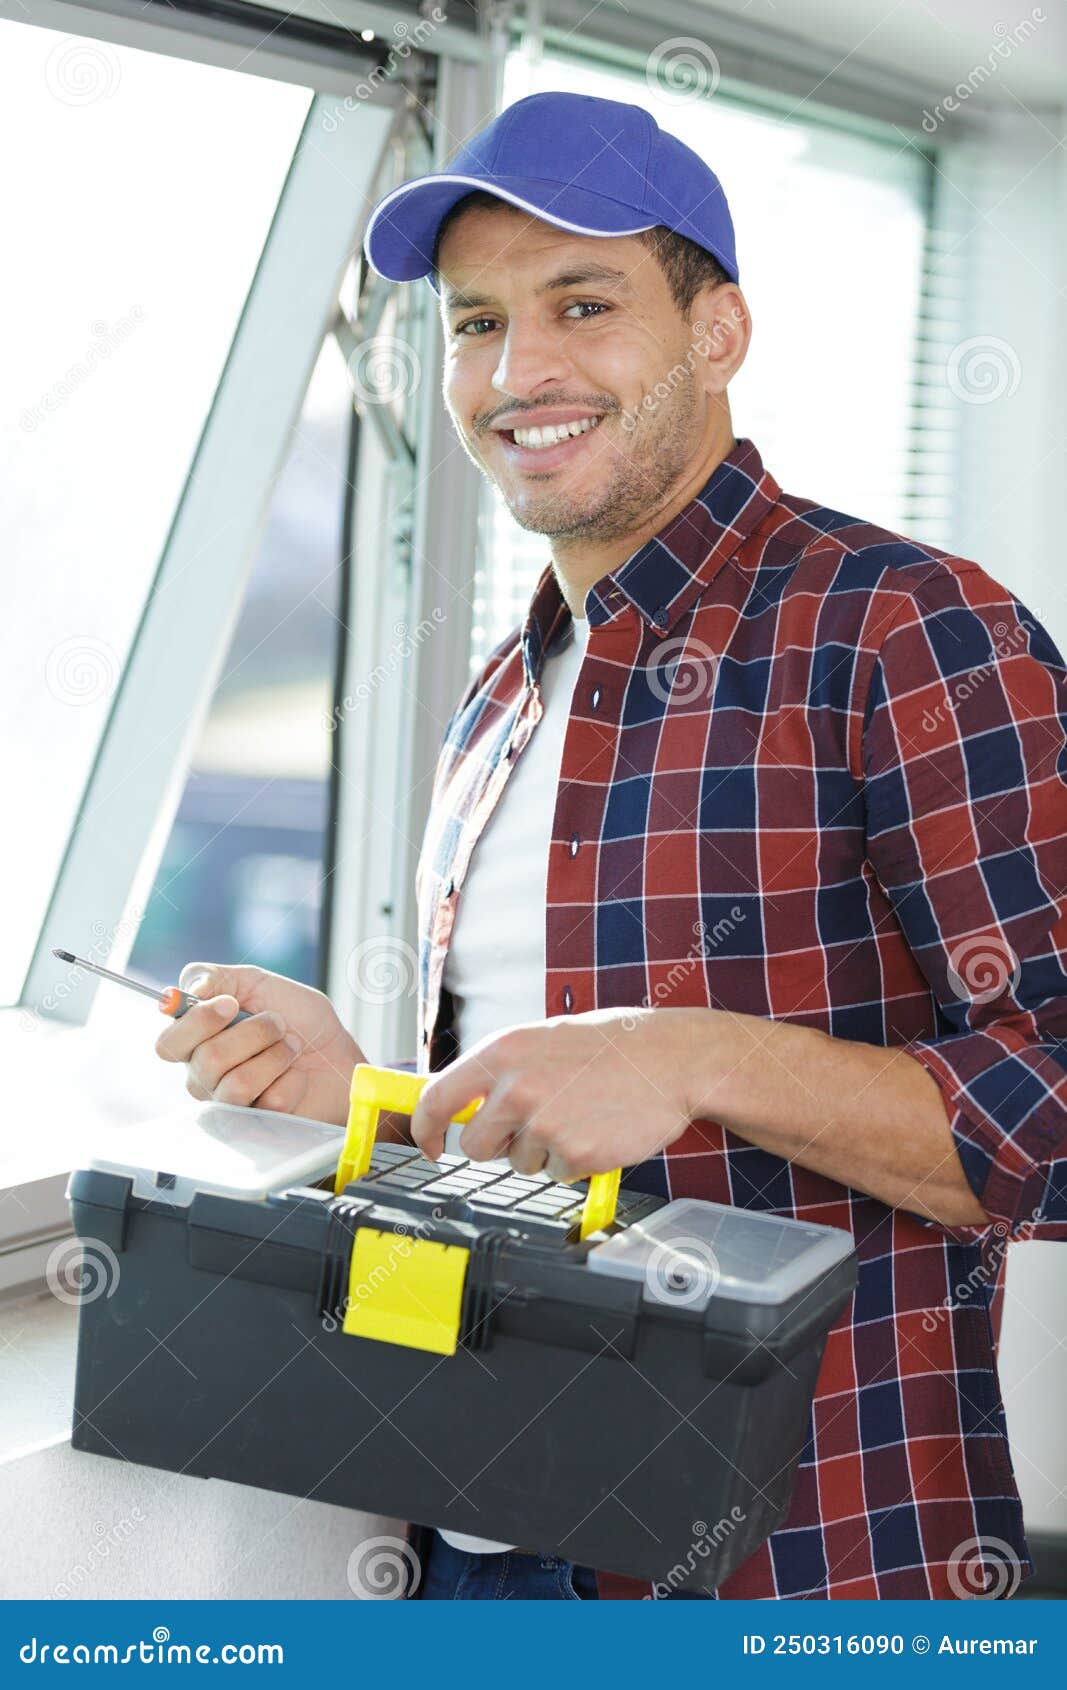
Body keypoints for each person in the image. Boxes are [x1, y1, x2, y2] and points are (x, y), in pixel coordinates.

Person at [155, 91, 1067, 1600]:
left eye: (585, 304)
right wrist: (360, 1103)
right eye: (477, 322)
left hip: (793, 1571)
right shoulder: (499, 701)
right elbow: (554, 1148)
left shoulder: (908, 631)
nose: (522, 371)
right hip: (467, 1548)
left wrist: (694, 1054)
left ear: (719, 333)